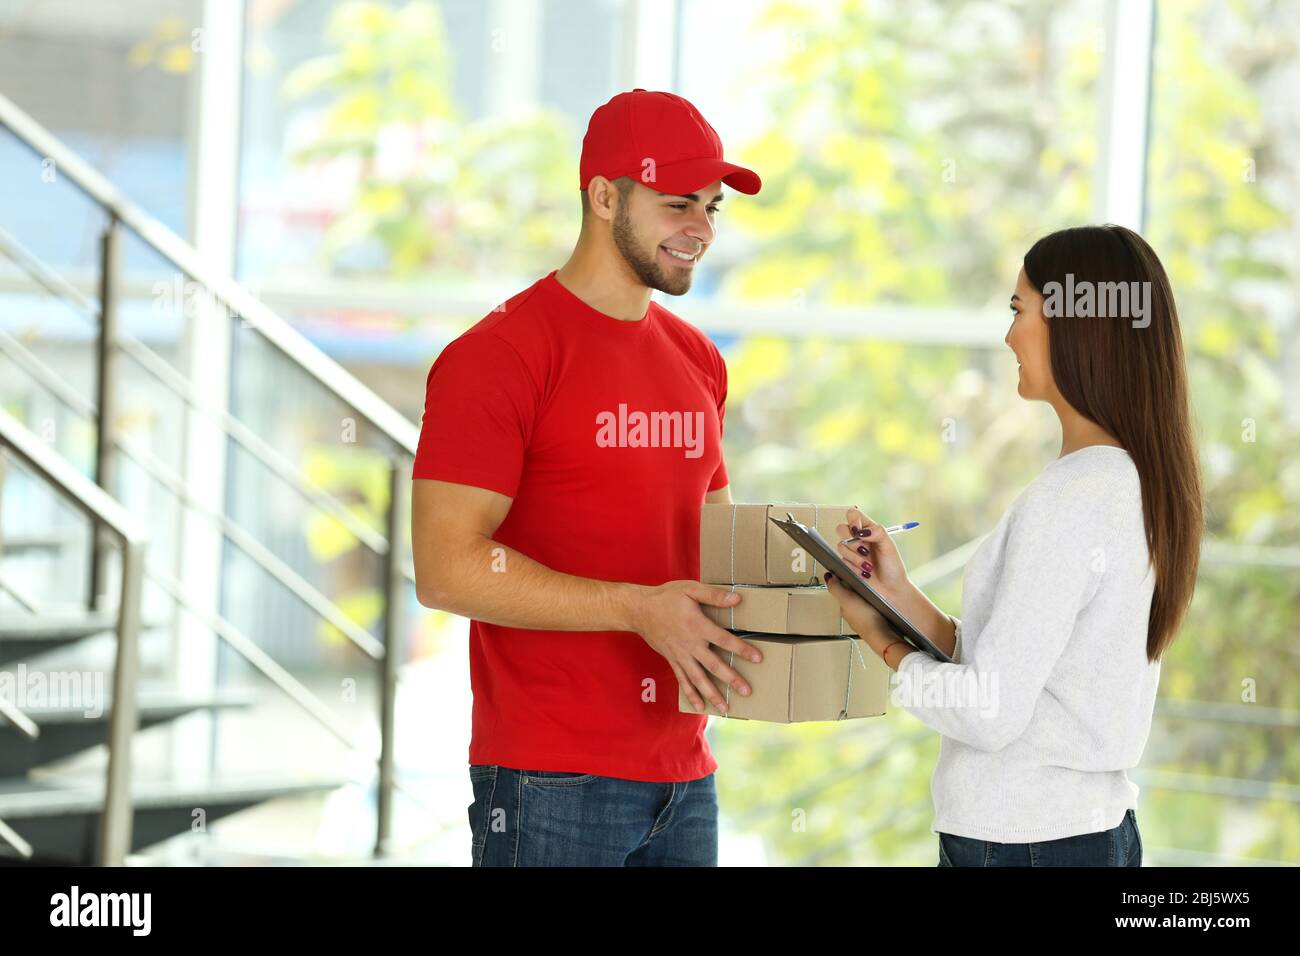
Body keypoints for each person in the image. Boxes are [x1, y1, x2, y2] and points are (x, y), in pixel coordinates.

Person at [410, 89, 764, 866]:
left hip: (685, 776)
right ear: (606, 196)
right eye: (678, 205)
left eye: (710, 208)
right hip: (548, 781)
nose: (701, 230)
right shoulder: (499, 356)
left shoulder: (699, 360)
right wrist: (636, 609)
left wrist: (823, 576)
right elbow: (443, 570)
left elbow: (717, 547)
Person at [826, 224, 1204, 866]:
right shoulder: (1129, 482)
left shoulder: (1070, 499)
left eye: (1018, 310)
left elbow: (989, 711)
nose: (1008, 336)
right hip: (1074, 834)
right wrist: (900, 597)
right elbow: (1023, 672)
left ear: (1078, 325)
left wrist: (882, 643)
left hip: (1023, 842)